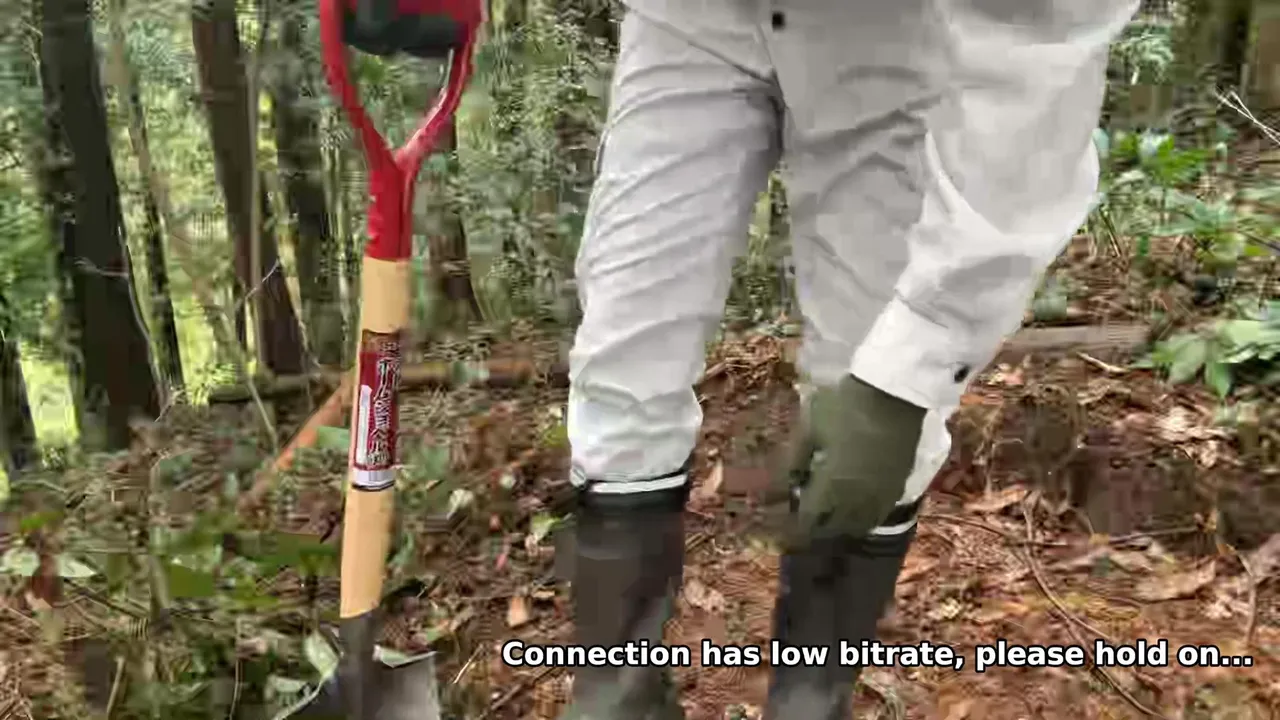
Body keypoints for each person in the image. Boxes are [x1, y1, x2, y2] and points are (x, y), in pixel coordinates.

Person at [560, 1, 1140, 719]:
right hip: (691, 17)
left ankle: (811, 699)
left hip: (893, 34)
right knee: (625, 345)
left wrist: (915, 368)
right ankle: (617, 692)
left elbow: (1039, 57)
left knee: (867, 372)